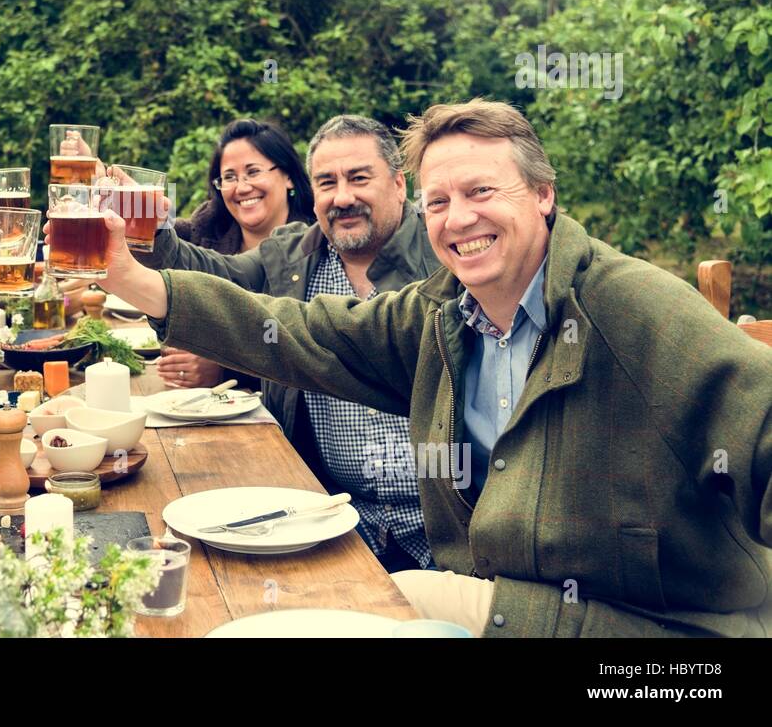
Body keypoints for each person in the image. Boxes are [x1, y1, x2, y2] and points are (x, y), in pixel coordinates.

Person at [97, 99, 772, 637]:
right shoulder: (445, 313)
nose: (459, 217)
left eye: (481, 190)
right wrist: (134, 278)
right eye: (441, 200)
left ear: (542, 195)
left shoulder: (633, 308)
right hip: (522, 607)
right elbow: (300, 333)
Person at [137, 116, 440, 571]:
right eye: (327, 182)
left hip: (445, 527)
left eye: (359, 178)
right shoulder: (289, 255)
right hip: (332, 517)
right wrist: (150, 230)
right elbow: (211, 277)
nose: (343, 197)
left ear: (399, 184)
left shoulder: (446, 251)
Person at [150, 119, 315, 392]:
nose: (241, 187)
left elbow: (308, 355)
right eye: (229, 177)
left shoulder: (315, 246)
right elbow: (158, 246)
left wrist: (223, 367)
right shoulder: (202, 233)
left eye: (253, 172)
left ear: (287, 175)